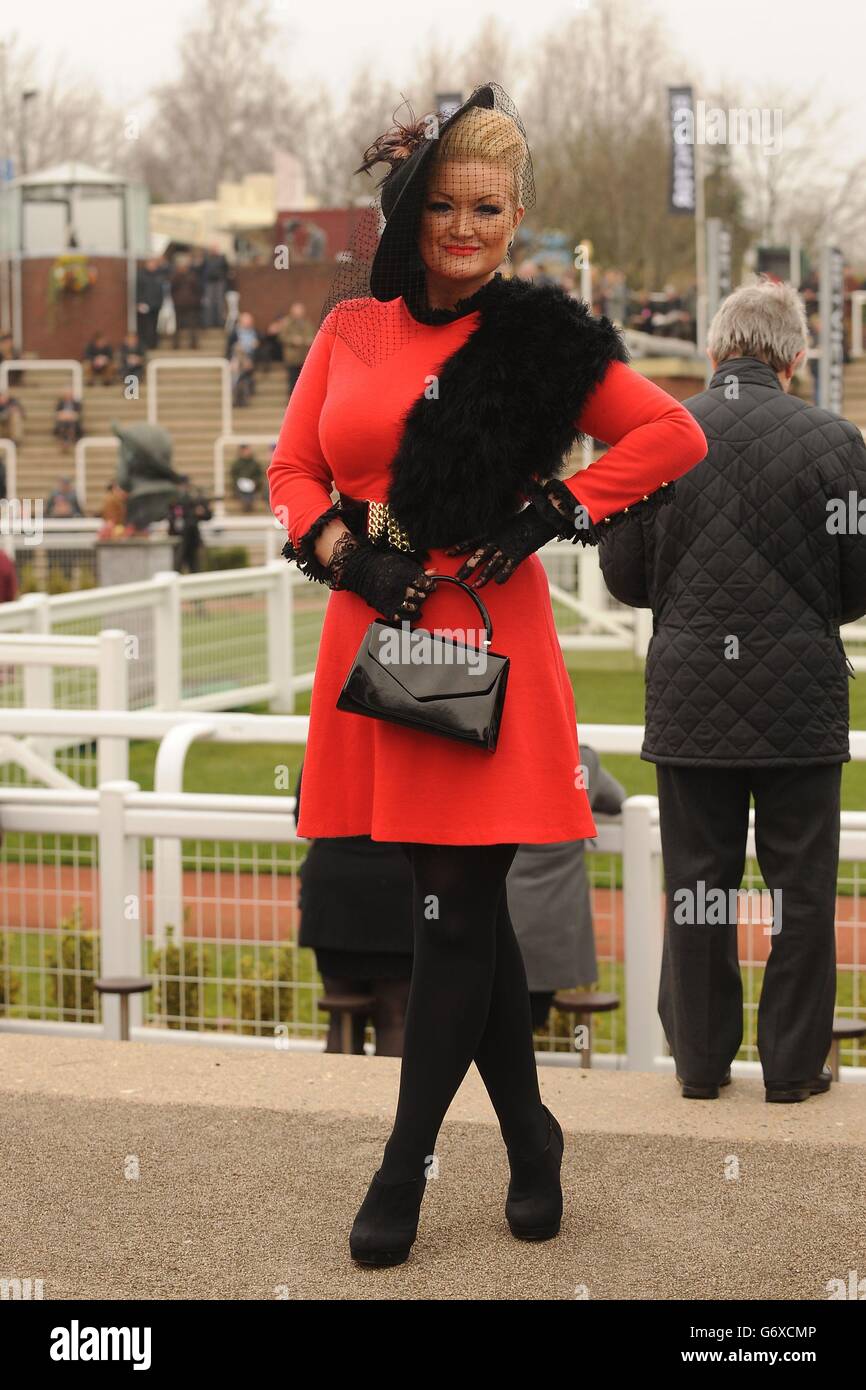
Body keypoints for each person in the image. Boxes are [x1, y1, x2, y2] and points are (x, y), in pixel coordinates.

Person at [267, 82, 706, 1269]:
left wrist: (557, 511)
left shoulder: (544, 342)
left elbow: (672, 433)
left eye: (490, 208)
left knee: (452, 914)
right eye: (446, 205)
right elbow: (294, 470)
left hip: (487, 641)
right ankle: (529, 1135)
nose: (465, 229)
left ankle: (402, 1165)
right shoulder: (350, 332)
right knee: (461, 912)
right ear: (411, 213)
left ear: (517, 216)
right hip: (379, 634)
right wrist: (350, 564)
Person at [598, 277, 866, 1105]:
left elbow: (622, 572)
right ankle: (791, 1068)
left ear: (715, 353)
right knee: (800, 891)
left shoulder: (658, 435)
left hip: (688, 698)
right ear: (793, 358)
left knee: (698, 885)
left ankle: (701, 1063)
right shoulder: (838, 441)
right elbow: (858, 579)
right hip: (800, 700)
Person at [294, 764, 413, 1055]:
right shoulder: (415, 732)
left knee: (341, 1016)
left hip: (333, 889)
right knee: (394, 1016)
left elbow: (303, 818)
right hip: (399, 888)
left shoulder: (331, 740)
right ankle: (396, 1102)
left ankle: (336, 1100)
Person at [507, 746, 626, 1031]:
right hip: (558, 937)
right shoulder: (582, 759)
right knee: (525, 1025)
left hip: (504, 923)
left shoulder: (504, 751)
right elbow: (615, 799)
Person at [277, 302, 316, 396]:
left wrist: (310, 339)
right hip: (292, 357)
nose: (299, 313)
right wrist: (292, 339)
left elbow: (314, 334)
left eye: (301, 310)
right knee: (292, 381)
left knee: (304, 382)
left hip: (305, 357)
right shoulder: (286, 323)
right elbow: (281, 337)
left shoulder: (308, 322)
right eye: (297, 310)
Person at [225, 311, 259, 407]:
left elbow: (259, 347)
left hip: (249, 359)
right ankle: (236, 398)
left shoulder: (255, 333)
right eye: (246, 320)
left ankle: (243, 398)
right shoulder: (234, 333)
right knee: (235, 375)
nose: (248, 323)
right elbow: (228, 348)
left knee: (243, 376)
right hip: (236, 359)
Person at [170, 255, 203, 350]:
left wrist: (196, 300)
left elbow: (198, 289)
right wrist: (175, 300)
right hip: (179, 304)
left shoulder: (192, 276)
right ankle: (175, 344)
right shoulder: (175, 276)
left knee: (192, 325)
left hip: (191, 305)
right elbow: (172, 289)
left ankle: (193, 343)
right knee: (177, 325)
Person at [136, 257, 168, 349]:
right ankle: (144, 344)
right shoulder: (141, 275)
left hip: (156, 305)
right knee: (144, 325)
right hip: (144, 305)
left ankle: (153, 344)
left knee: (154, 325)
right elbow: (138, 290)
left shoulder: (159, 275)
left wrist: (161, 302)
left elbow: (161, 291)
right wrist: (139, 302)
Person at [229, 443, 264, 512]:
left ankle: (248, 504)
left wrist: (255, 482)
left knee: (249, 489)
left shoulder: (255, 463)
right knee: (243, 489)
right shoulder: (236, 463)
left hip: (253, 484)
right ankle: (247, 504)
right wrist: (239, 481)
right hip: (240, 484)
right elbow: (234, 475)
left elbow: (259, 475)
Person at [202, 243, 229, 328]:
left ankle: (220, 323)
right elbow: (202, 269)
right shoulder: (207, 258)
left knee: (219, 303)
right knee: (209, 303)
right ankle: (208, 323)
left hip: (219, 282)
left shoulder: (222, 258)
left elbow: (226, 269)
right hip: (209, 283)